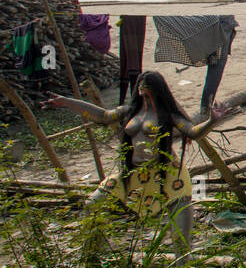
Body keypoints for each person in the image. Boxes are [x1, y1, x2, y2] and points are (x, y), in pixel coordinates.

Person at [46, 72, 215, 252]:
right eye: (141, 84)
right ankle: (92, 255)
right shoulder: (130, 111)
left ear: (158, 88)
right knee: (92, 205)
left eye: (148, 84)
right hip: (133, 173)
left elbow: (193, 132)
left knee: (180, 229)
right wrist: (66, 102)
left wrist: (213, 120)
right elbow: (103, 116)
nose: (143, 87)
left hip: (167, 175)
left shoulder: (169, 115)